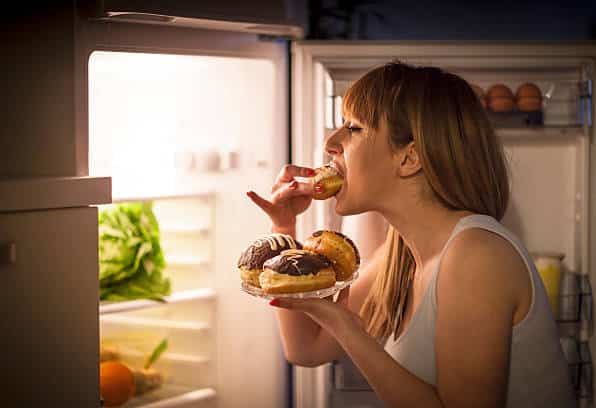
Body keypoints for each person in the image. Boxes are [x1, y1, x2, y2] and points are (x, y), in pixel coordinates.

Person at [246, 62, 575, 407]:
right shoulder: (400, 255)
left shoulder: (476, 255)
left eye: (353, 128)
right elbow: (306, 349)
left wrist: (348, 328)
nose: (331, 143)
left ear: (410, 158)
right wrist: (283, 228)